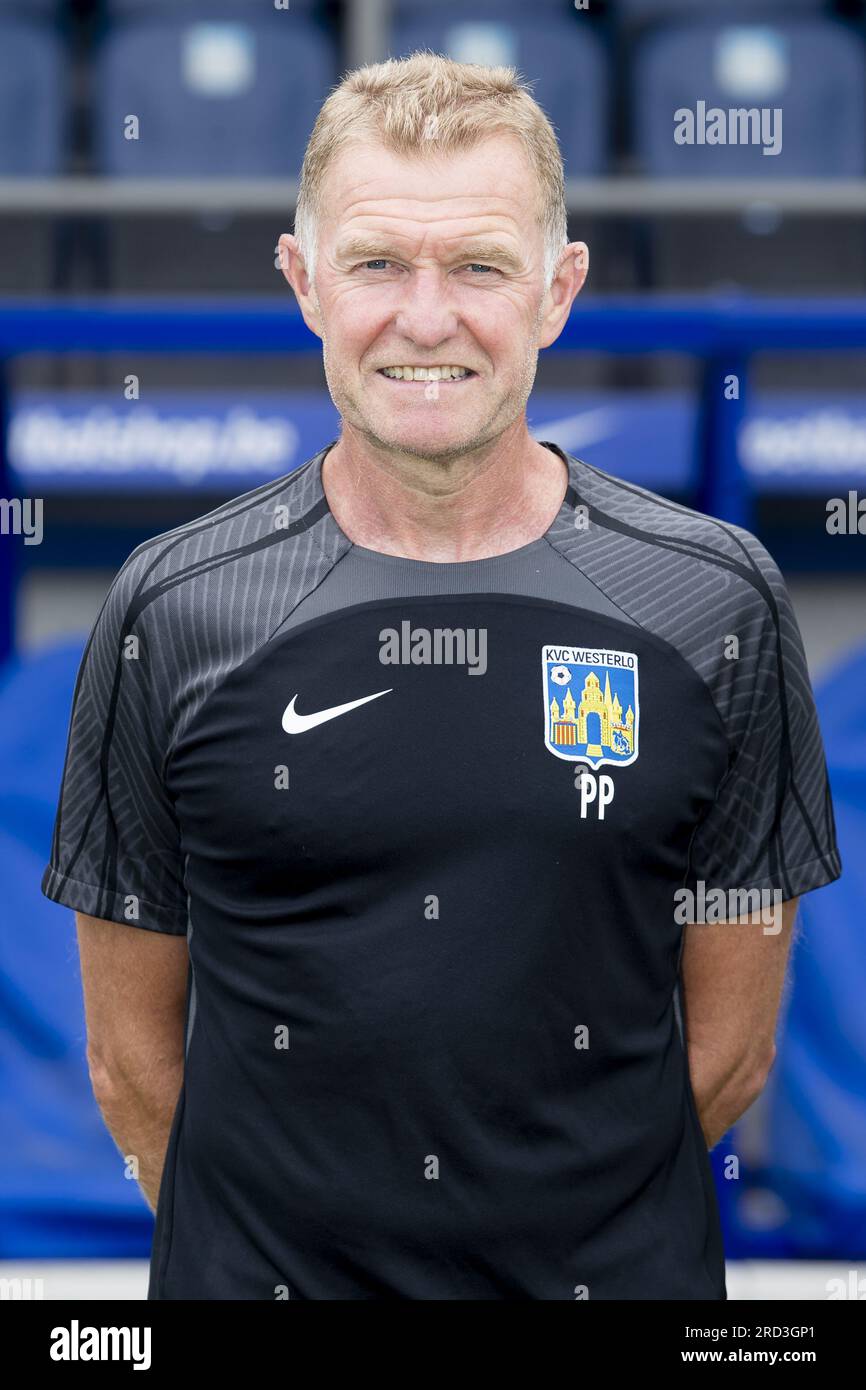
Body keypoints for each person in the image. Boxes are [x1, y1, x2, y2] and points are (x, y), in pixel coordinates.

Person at [42, 51, 841, 1300]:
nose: (425, 318)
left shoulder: (713, 601)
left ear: (557, 289)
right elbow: (130, 1066)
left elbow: (727, 1051)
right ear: (304, 283)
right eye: (375, 265)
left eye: (477, 265)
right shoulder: (172, 607)